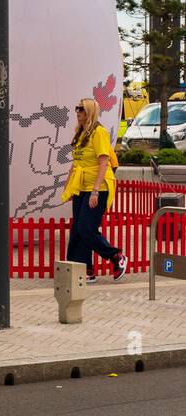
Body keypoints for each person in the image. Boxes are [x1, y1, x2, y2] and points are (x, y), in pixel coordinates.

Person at [62, 97, 128, 282]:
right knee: (77, 229)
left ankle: (116, 256)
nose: (78, 112)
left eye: (81, 109)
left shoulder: (99, 132)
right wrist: (69, 186)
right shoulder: (81, 133)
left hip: (98, 187)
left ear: (89, 112)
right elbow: (76, 164)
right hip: (81, 186)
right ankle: (84, 270)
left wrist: (96, 191)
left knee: (86, 228)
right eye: (77, 108)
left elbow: (103, 161)